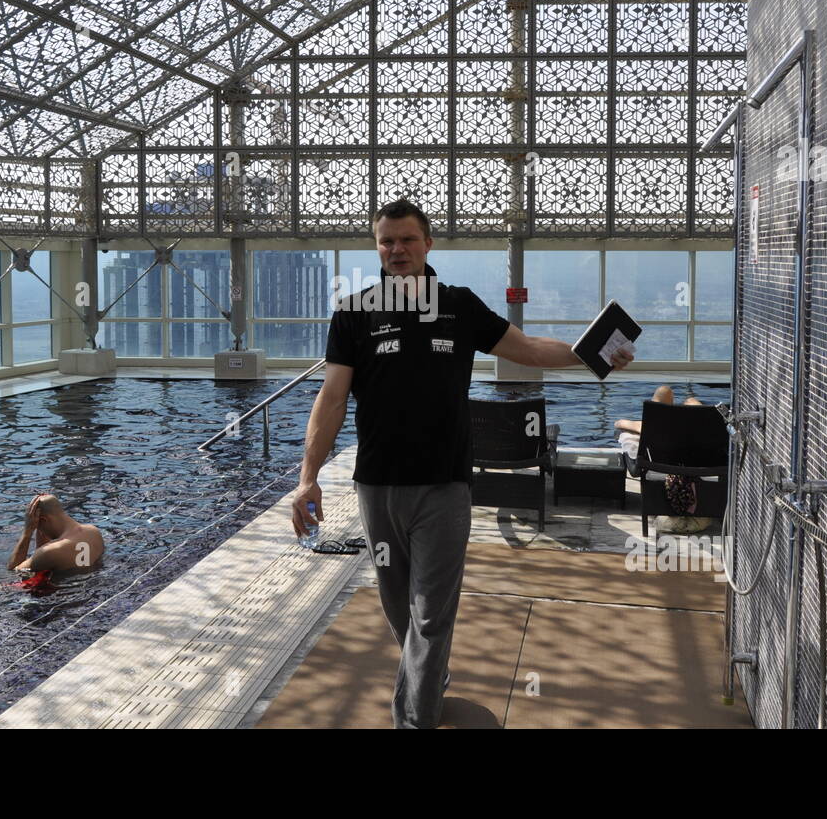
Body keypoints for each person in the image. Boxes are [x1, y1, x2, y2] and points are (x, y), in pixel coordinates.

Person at [287, 199, 634, 729]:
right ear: (376, 247)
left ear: (428, 244)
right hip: (376, 487)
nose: (397, 250)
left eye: (407, 239)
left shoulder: (459, 305)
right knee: (398, 607)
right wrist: (307, 478)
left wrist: (594, 356)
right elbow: (331, 399)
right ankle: (431, 679)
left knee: (431, 615)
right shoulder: (354, 313)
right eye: (387, 241)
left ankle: (414, 719)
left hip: (445, 486)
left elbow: (528, 350)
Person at [615, 386, 710, 530]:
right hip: (700, 461)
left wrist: (621, 424)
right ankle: (692, 410)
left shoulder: (657, 430)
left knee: (664, 391)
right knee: (691, 401)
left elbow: (620, 423)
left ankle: (675, 408)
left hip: (660, 462)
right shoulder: (699, 439)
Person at [7, 493, 105, 574]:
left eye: (38, 527)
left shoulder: (51, 552)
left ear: (42, 520)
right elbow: (41, 558)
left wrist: (27, 532)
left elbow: (14, 571)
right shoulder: (94, 532)